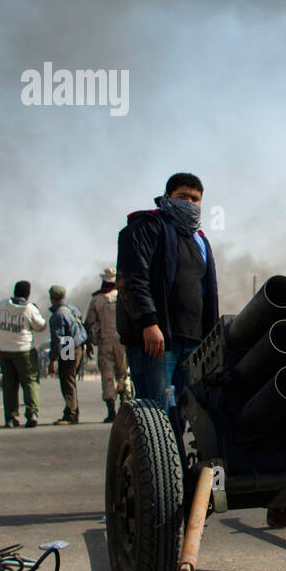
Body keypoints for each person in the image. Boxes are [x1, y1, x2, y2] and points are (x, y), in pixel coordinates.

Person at [116, 173, 219, 415]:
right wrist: (149, 323)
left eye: (195, 199)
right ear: (167, 197)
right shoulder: (146, 227)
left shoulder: (200, 240)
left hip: (192, 344)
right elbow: (132, 279)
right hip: (157, 341)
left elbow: (207, 293)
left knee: (183, 415)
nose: (190, 204)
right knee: (155, 415)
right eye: (183, 197)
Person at [0, 280, 47, 428]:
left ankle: (10, 417)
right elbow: (41, 326)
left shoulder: (2, 305)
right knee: (30, 382)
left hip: (4, 351)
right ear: (28, 294)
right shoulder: (29, 309)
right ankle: (32, 413)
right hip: (24, 351)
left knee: (9, 384)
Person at [86, 266, 130, 422]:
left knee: (108, 376)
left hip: (105, 342)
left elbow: (90, 323)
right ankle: (126, 408)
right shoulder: (124, 295)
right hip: (123, 340)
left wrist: (90, 343)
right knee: (124, 374)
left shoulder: (97, 299)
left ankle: (112, 412)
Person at [46, 286, 87, 425]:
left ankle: (71, 414)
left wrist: (52, 360)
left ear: (52, 298)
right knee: (71, 380)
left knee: (67, 380)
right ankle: (71, 411)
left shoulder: (58, 315)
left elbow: (58, 340)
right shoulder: (72, 309)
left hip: (68, 346)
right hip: (78, 345)